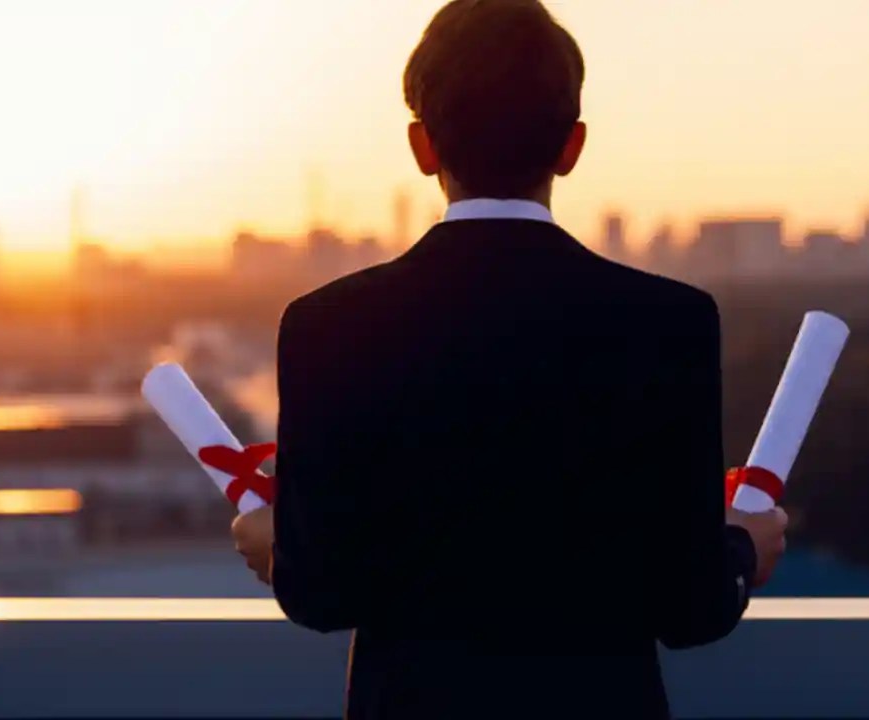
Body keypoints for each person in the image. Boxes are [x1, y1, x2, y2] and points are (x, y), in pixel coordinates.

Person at [231, 1, 787, 717]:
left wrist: (276, 548)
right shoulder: (668, 323)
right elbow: (689, 608)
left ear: (423, 147)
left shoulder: (326, 325)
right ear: (572, 147)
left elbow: (320, 594)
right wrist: (743, 549)